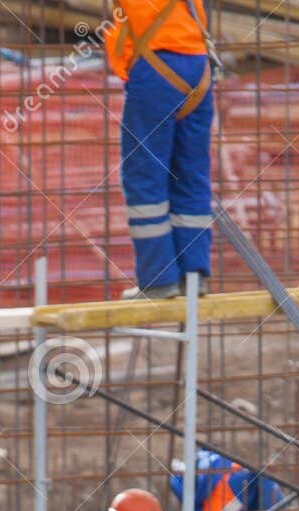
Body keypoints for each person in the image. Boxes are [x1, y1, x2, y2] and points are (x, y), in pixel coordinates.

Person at [106, 1, 216, 301]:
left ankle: (158, 279)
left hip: (158, 66)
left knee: (144, 175)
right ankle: (193, 275)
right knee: (191, 174)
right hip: (198, 66)